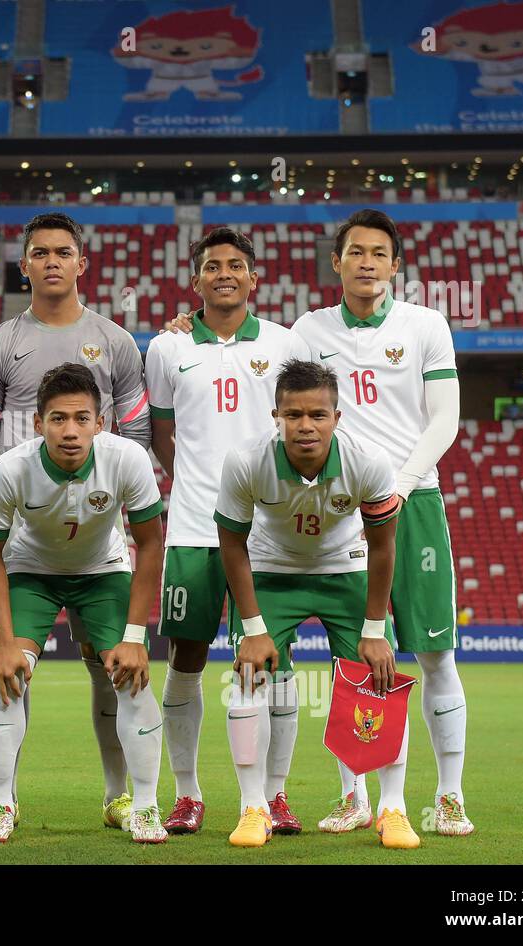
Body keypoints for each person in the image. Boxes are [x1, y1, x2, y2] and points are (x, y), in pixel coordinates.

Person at [0, 211, 151, 830]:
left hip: (99, 530)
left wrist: (107, 471)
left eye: (62, 252)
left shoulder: (115, 340)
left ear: (80, 263)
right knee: (10, 669)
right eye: (38, 252)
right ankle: (1, 802)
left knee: (117, 669)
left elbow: (140, 427)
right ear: (25, 265)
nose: (50, 261)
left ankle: (125, 797)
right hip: (28, 529)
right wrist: (18, 471)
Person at [291, 209, 472, 837]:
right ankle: (355, 796)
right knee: (353, 659)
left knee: (435, 655)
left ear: (395, 265)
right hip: (337, 509)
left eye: (379, 253)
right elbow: (274, 397)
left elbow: (443, 421)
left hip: (413, 503)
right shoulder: (307, 330)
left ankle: (448, 794)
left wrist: (394, 485)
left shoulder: (425, 324)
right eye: (355, 252)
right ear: (336, 262)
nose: (367, 262)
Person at [146, 227, 312, 836]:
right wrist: (196, 481)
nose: (224, 274)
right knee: (185, 655)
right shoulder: (167, 349)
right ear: (196, 280)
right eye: (212, 266)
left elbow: (296, 423)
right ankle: (188, 793)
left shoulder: (283, 342)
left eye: (236, 265)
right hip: (192, 527)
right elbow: (163, 435)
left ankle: (275, 794)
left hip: (269, 533)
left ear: (253, 277)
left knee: (275, 659)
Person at [213, 358, 417, 849]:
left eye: (318, 415)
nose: (306, 426)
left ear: (337, 417)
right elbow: (231, 544)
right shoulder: (245, 460)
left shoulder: (369, 460)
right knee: (248, 676)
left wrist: (374, 629)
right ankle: (252, 808)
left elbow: (384, 546)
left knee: (379, 680)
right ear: (276, 416)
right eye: (294, 414)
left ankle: (393, 808)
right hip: (272, 569)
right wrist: (253, 626)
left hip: (344, 568)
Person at [0, 363, 166, 845]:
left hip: (102, 572)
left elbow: (151, 543)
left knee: (131, 676)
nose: (71, 430)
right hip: (31, 572)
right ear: (37, 424)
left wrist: (136, 637)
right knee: (7, 675)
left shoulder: (127, 460)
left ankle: (140, 805)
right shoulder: (9, 469)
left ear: (101, 423)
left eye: (82, 418)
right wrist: (1, 641)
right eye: (58, 419)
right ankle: (0, 803)